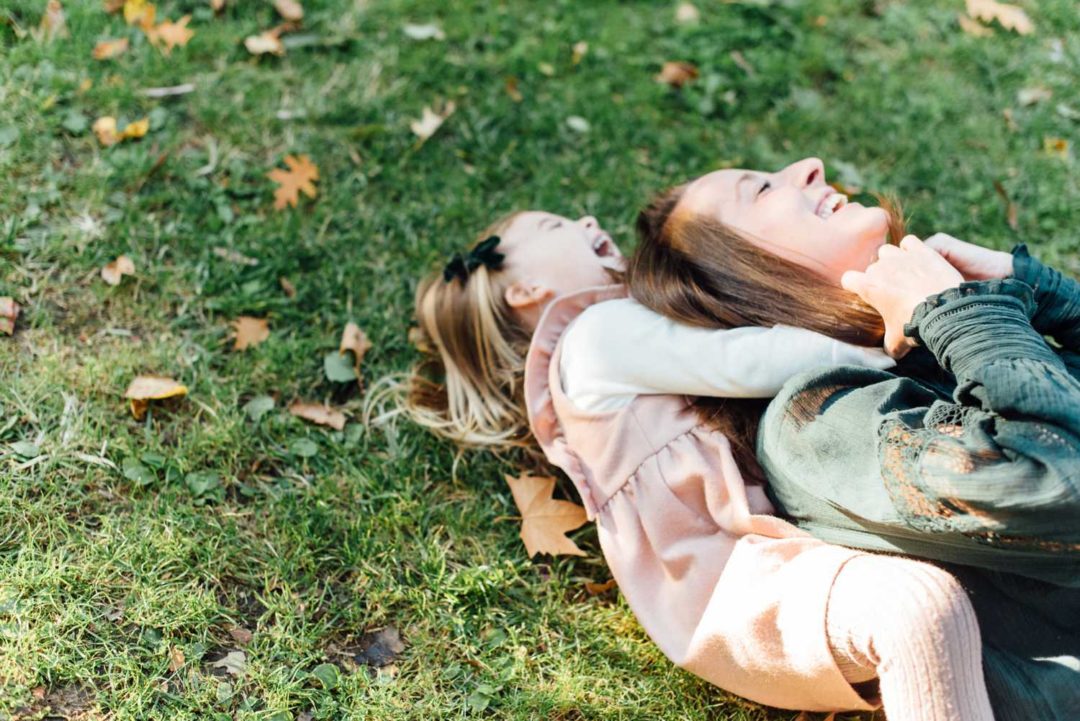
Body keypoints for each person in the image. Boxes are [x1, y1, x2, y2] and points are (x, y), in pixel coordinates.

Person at [401, 209, 995, 719]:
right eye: (556, 226)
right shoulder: (594, 335)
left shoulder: (587, 363)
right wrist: (886, 338)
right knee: (915, 610)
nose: (587, 219)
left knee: (946, 612)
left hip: (728, 594)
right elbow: (750, 358)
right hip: (737, 582)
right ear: (525, 291)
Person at [628, 157, 1080, 720]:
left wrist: (1048, 296)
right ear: (744, 276)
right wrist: (966, 318)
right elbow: (1059, 485)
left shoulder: (945, 342)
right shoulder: (817, 421)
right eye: (762, 189)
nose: (809, 166)